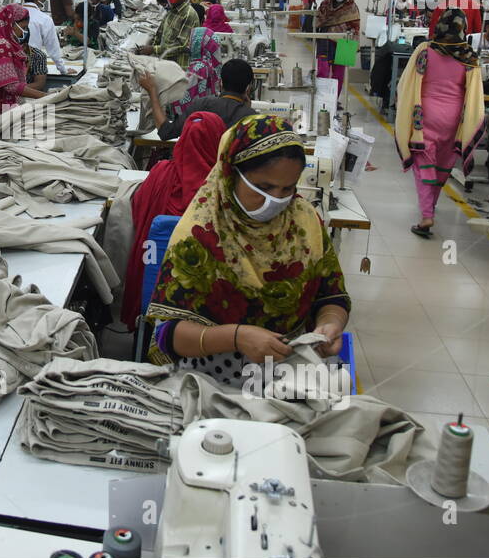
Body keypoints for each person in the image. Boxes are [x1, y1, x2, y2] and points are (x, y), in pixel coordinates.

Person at [145, 115, 351, 386]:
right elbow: (167, 334)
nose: (276, 199)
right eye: (264, 188)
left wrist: (330, 323)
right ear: (231, 175)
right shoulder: (200, 234)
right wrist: (237, 337)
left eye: (287, 188)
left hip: (291, 376)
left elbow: (332, 294)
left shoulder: (305, 222)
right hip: (214, 383)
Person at [120, 111, 228, 325]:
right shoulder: (226, 190)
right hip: (207, 306)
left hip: (154, 291)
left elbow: (138, 215)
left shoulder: (160, 174)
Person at [395, 7, 486, 239]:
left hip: (423, 114)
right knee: (442, 166)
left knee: (423, 164)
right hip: (454, 118)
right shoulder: (469, 57)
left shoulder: (425, 50)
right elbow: (475, 93)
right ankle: (430, 209)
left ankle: (427, 215)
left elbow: (407, 81)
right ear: (463, 28)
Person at [0, 4, 47, 108]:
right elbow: (11, 86)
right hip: (0, 107)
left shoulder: (5, 44)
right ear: (11, 23)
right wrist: (45, 96)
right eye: (23, 28)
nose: (24, 32)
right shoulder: (1, 47)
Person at [143, 0, 201, 67]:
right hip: (165, 63)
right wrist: (151, 46)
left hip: (178, 67)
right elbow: (160, 33)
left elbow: (181, 45)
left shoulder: (189, 15)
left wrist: (153, 49)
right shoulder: (171, 11)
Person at [314, 0, 360, 86]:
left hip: (344, 42)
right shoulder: (325, 4)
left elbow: (355, 25)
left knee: (339, 74)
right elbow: (318, 20)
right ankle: (321, 99)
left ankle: (334, 100)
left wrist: (352, 40)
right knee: (323, 72)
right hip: (325, 40)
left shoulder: (351, 7)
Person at [20, 0, 67, 75]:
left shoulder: (12, 14)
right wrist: (63, 69)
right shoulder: (44, 19)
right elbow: (53, 47)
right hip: (33, 65)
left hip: (12, 62)